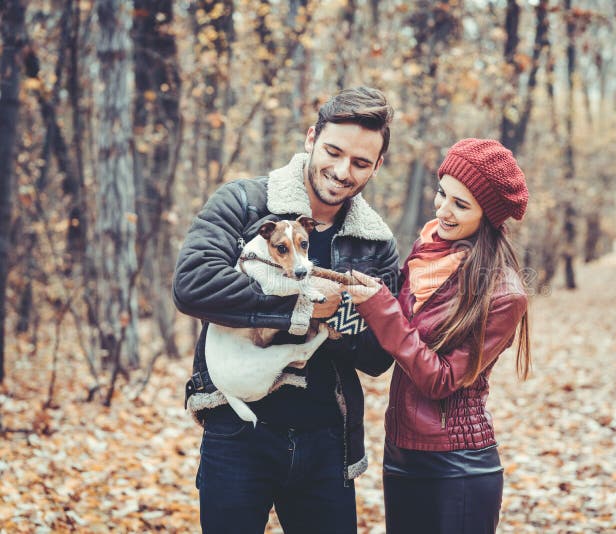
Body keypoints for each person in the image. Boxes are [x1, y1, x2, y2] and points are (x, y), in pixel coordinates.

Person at [172, 86, 399, 533]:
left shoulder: (376, 243)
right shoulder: (244, 203)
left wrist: (341, 315)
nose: (341, 170)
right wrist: (302, 309)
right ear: (311, 137)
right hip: (237, 430)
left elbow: (378, 358)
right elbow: (192, 285)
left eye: (359, 162)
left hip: (326, 438)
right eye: (333, 151)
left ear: (377, 166)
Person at [344, 138, 532, 534]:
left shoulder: (503, 292)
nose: (443, 210)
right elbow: (398, 337)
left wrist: (381, 307)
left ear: (489, 215)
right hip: (400, 454)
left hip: (458, 466)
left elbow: (440, 379)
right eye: (443, 194)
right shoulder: (426, 252)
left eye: (461, 205)